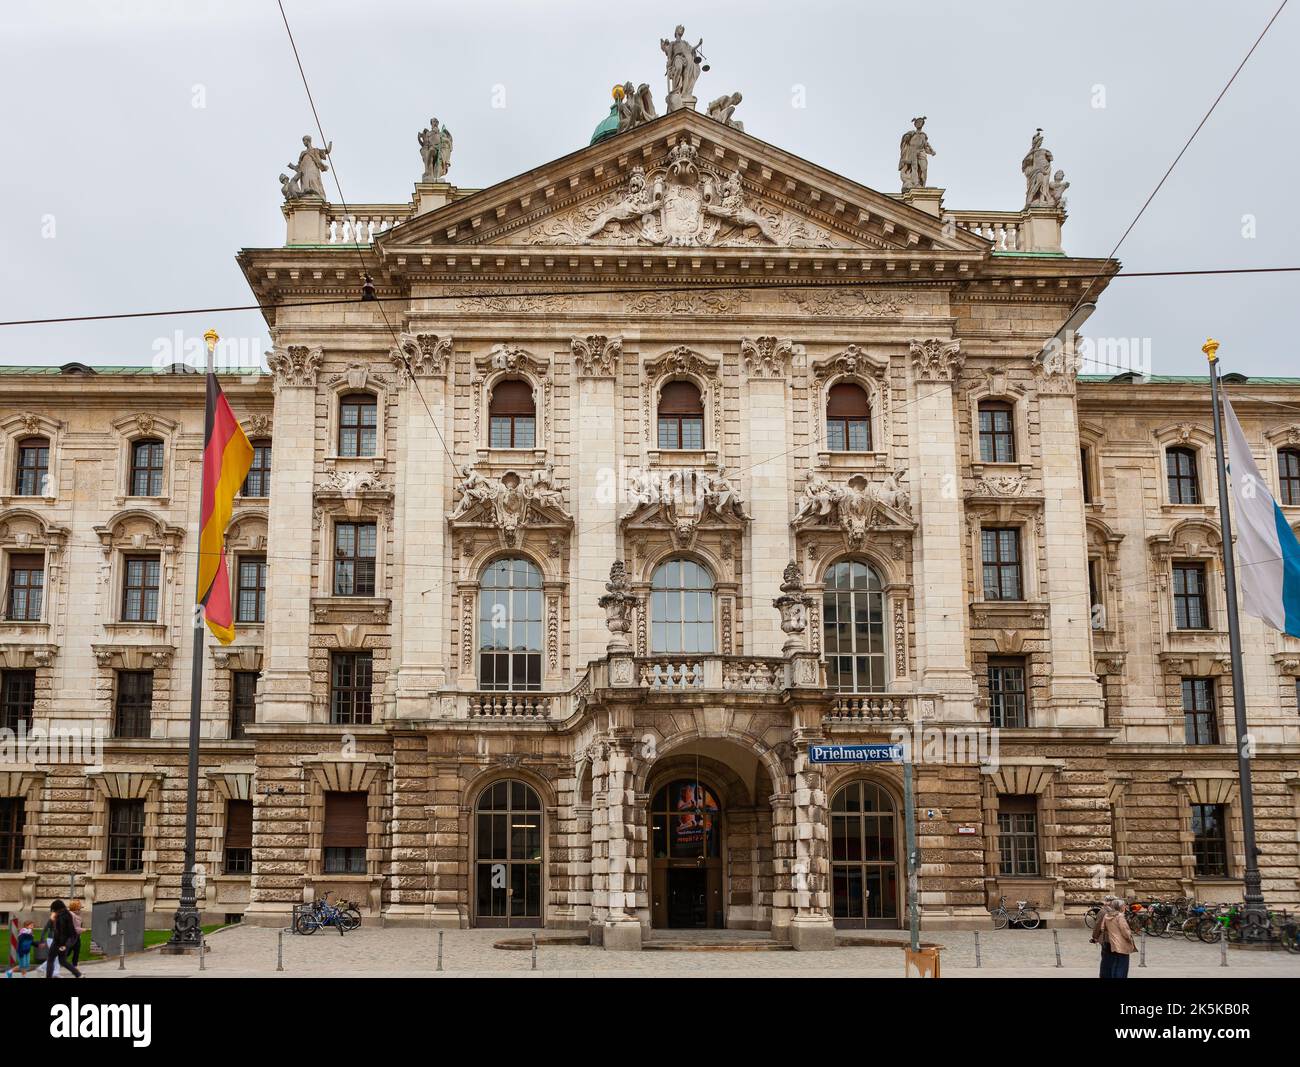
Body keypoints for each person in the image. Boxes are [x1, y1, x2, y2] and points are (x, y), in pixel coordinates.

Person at [1091, 897, 1136, 977]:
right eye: (1124, 906)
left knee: (1112, 963)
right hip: (1119, 943)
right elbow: (1125, 931)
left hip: (1110, 941)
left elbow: (1102, 927)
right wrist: (1129, 938)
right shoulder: (1119, 916)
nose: (1125, 907)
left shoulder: (1107, 915)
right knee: (1120, 964)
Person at [44, 900, 81, 979]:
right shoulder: (67, 914)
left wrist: (62, 945)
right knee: (62, 961)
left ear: (56, 908)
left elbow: (61, 931)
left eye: (53, 909)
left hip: (59, 942)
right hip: (66, 940)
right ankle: (78, 974)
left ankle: (48, 976)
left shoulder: (61, 916)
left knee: (51, 959)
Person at [67, 900, 84, 967]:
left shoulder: (77, 915)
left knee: (76, 951)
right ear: (75, 907)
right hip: (70, 937)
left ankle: (75, 966)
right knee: (67, 953)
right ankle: (52, 964)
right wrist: (82, 930)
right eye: (79, 905)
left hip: (76, 937)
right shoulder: (71, 915)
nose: (80, 907)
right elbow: (72, 927)